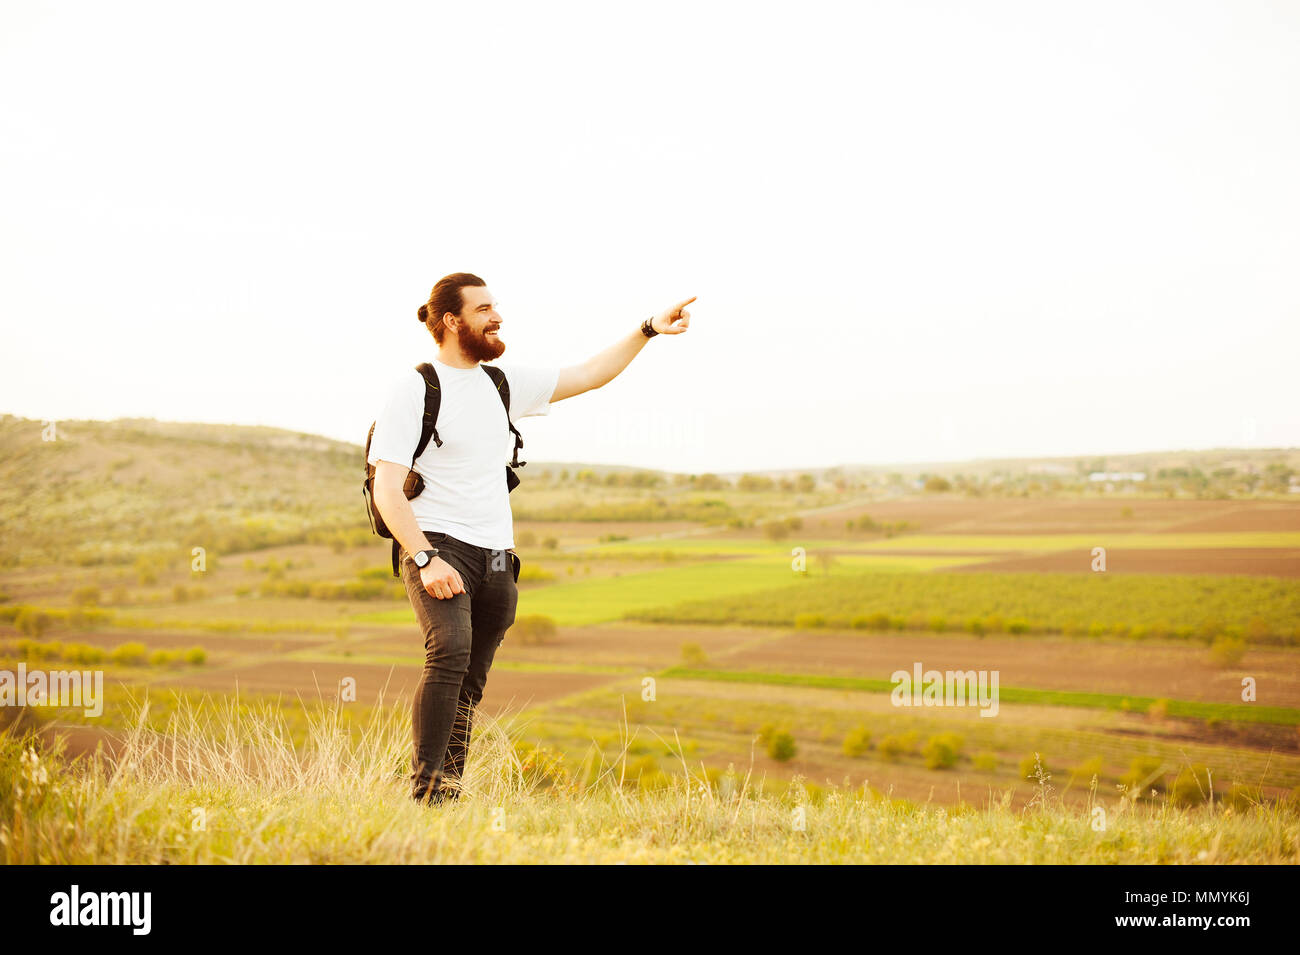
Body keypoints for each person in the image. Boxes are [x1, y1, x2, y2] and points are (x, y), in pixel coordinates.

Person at [367, 271, 694, 804]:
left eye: (496, 307)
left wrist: (648, 329)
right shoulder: (415, 388)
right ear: (451, 321)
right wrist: (425, 558)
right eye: (484, 309)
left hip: (497, 557)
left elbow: (589, 374)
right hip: (439, 547)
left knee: (469, 682)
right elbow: (386, 488)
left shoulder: (502, 384)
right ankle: (426, 795)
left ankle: (447, 793)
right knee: (447, 652)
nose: (497, 317)